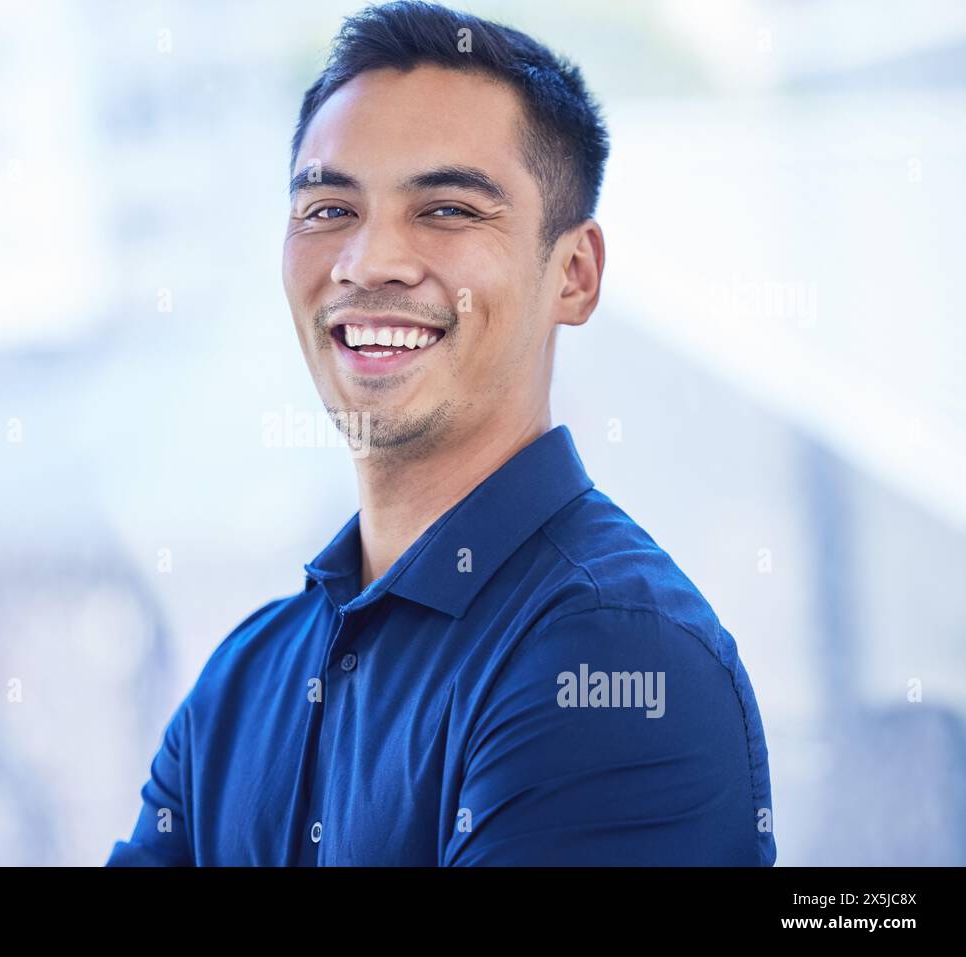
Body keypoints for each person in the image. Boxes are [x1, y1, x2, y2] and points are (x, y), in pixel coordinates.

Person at [107, 0, 775, 866]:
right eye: (329, 210)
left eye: (449, 209)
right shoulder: (241, 683)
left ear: (573, 274)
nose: (368, 261)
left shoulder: (615, 660)